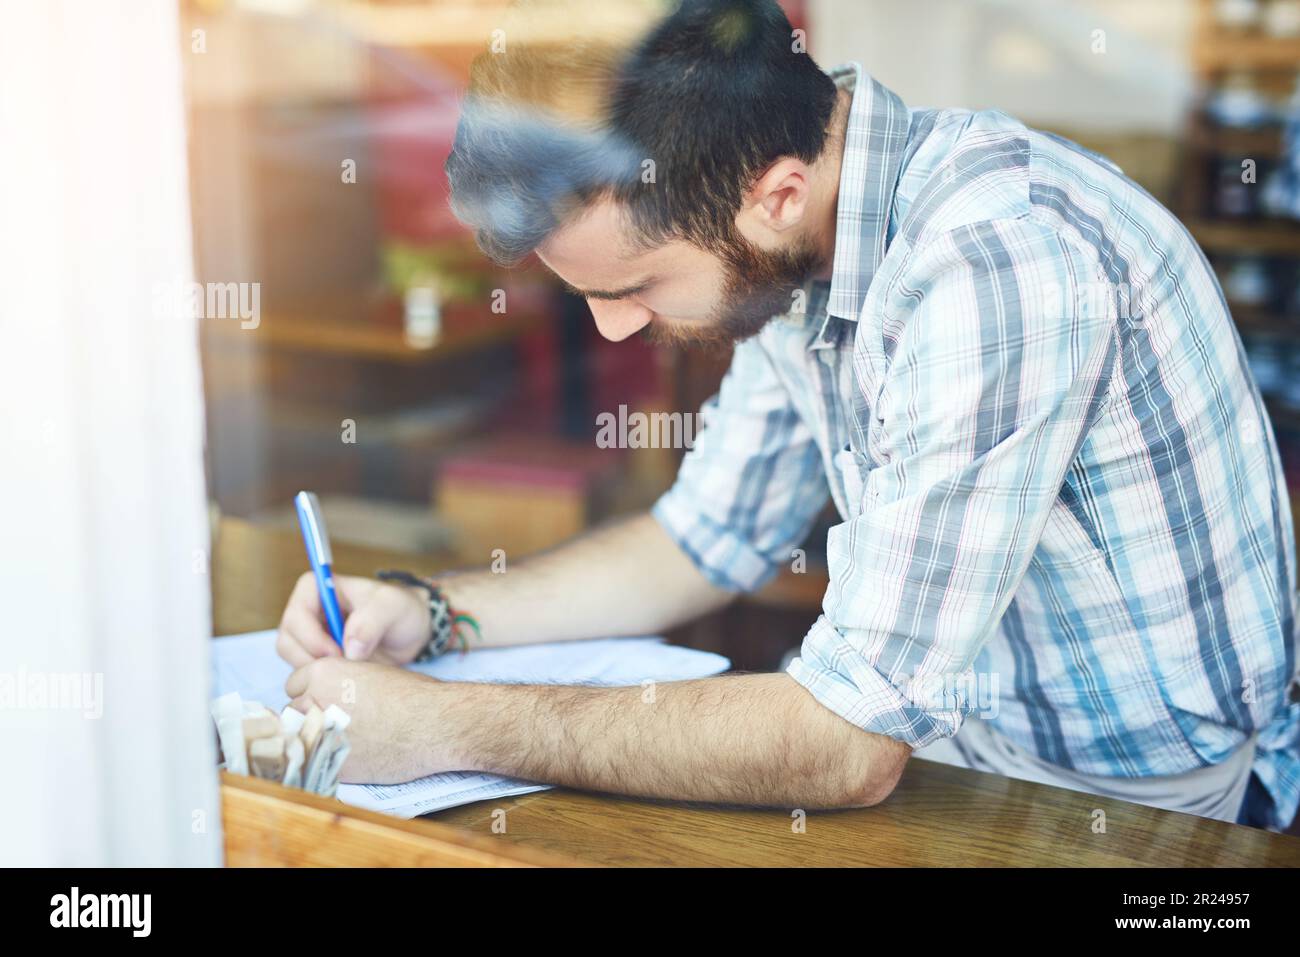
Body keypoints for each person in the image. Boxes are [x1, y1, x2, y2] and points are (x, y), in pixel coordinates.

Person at [276, 0, 1300, 829]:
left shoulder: (995, 267)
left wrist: (441, 727)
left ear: (776, 192)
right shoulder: (794, 241)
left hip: (1153, 816)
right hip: (961, 759)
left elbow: (846, 744)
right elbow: (700, 539)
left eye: (633, 282)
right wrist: (435, 615)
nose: (617, 329)